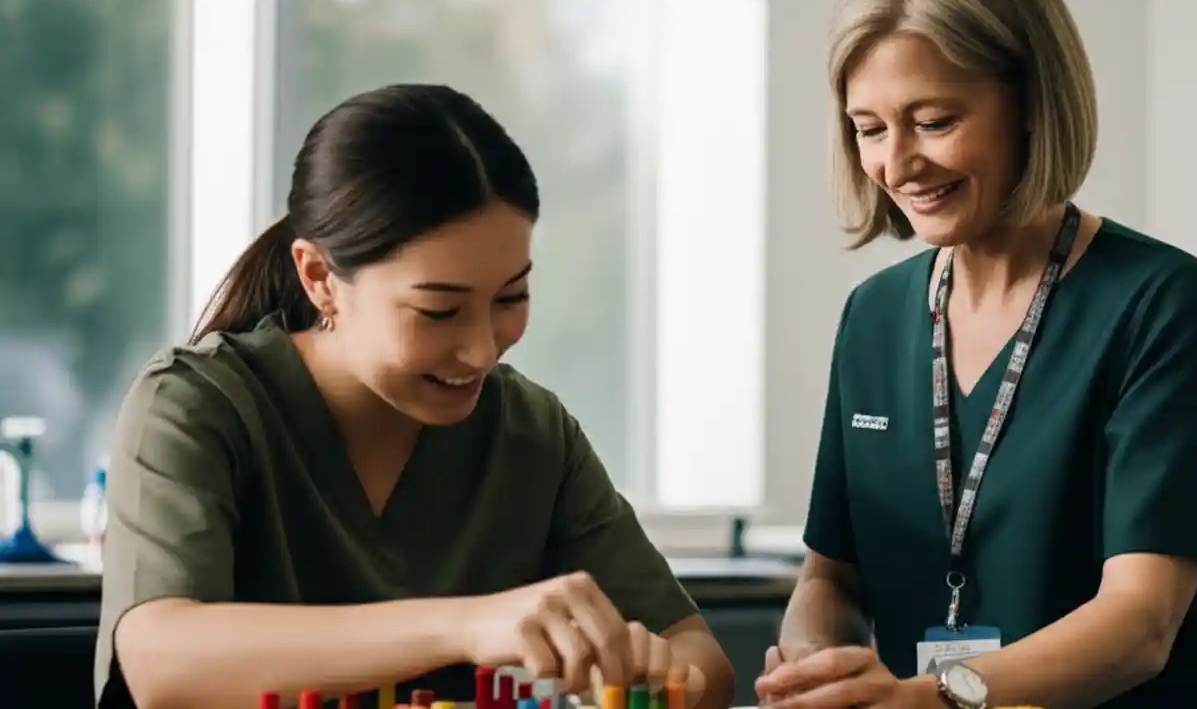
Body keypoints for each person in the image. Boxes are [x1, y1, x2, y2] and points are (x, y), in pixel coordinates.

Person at [94, 83, 735, 709]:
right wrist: (465, 627)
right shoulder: (193, 406)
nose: (484, 350)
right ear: (319, 277)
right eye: (438, 311)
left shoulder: (531, 432)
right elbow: (161, 661)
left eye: (511, 298)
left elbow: (699, 659)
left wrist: (652, 673)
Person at [754, 0, 1197, 708]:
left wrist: (929, 698)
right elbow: (831, 578)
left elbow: (1140, 625)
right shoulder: (875, 315)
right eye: (868, 129)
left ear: (1031, 105)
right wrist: (817, 666)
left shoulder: (1160, 300)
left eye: (934, 121)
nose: (897, 164)